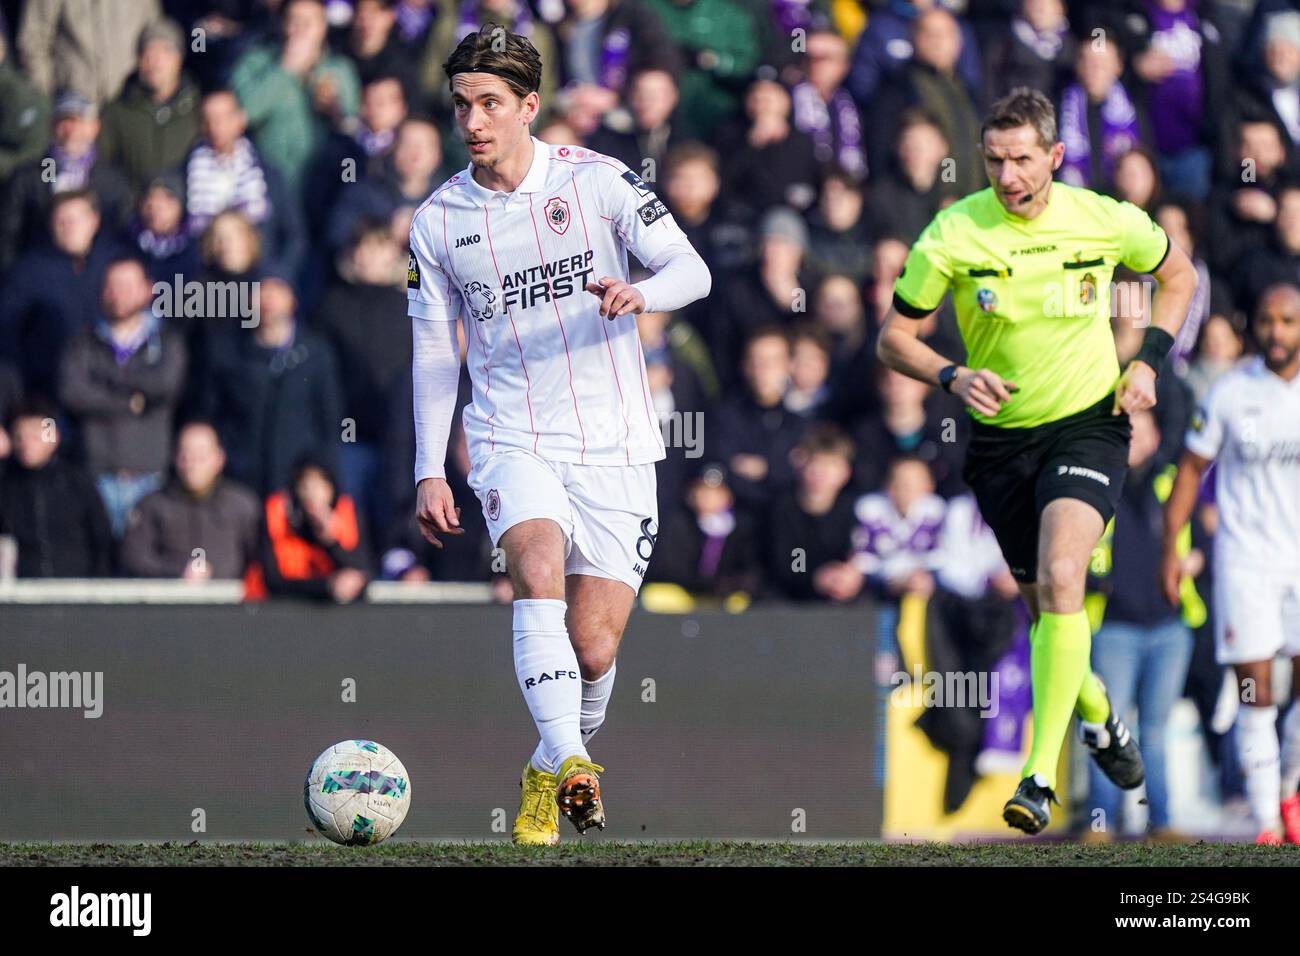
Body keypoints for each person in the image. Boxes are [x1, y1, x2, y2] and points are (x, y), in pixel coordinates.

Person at [407, 25, 710, 846]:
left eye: (490, 104)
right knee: (535, 565)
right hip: (512, 435)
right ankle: (576, 764)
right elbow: (437, 352)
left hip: (616, 441)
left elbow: (693, 269)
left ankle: (547, 766)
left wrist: (642, 294)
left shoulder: (600, 181)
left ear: (529, 107)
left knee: (596, 649)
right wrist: (429, 467)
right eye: (462, 103)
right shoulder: (437, 223)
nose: (472, 120)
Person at [876, 87, 1200, 834]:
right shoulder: (952, 233)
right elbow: (893, 339)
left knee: (1062, 579)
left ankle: (1037, 778)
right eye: (994, 160)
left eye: (1022, 159)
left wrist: (1148, 359)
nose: (1008, 175)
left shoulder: (1103, 218)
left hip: (1090, 424)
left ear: (1055, 155)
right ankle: (1099, 714)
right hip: (1000, 444)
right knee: (1045, 612)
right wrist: (952, 376)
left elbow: (1177, 277)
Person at [1161, 283, 1300, 845]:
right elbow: (1191, 470)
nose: (1277, 332)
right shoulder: (1229, 393)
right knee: (1254, 693)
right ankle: (1267, 822)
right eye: (1267, 321)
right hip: (1246, 563)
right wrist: (1173, 546)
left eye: (1288, 321)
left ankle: (1289, 787)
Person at [121, 420, 261, 580]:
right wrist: (176, 572)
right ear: (175, 458)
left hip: (231, 599)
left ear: (219, 459)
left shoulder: (241, 505)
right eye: (185, 454)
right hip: (170, 598)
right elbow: (134, 557)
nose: (192, 463)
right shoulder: (153, 505)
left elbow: (259, 558)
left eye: (201, 455)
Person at [0, 400, 113, 578]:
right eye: (19, 436)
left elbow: (101, 538)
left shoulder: (77, 482)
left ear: (53, 438)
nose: (26, 444)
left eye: (34, 437)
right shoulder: (6, 485)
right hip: (23, 594)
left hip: (78, 588)